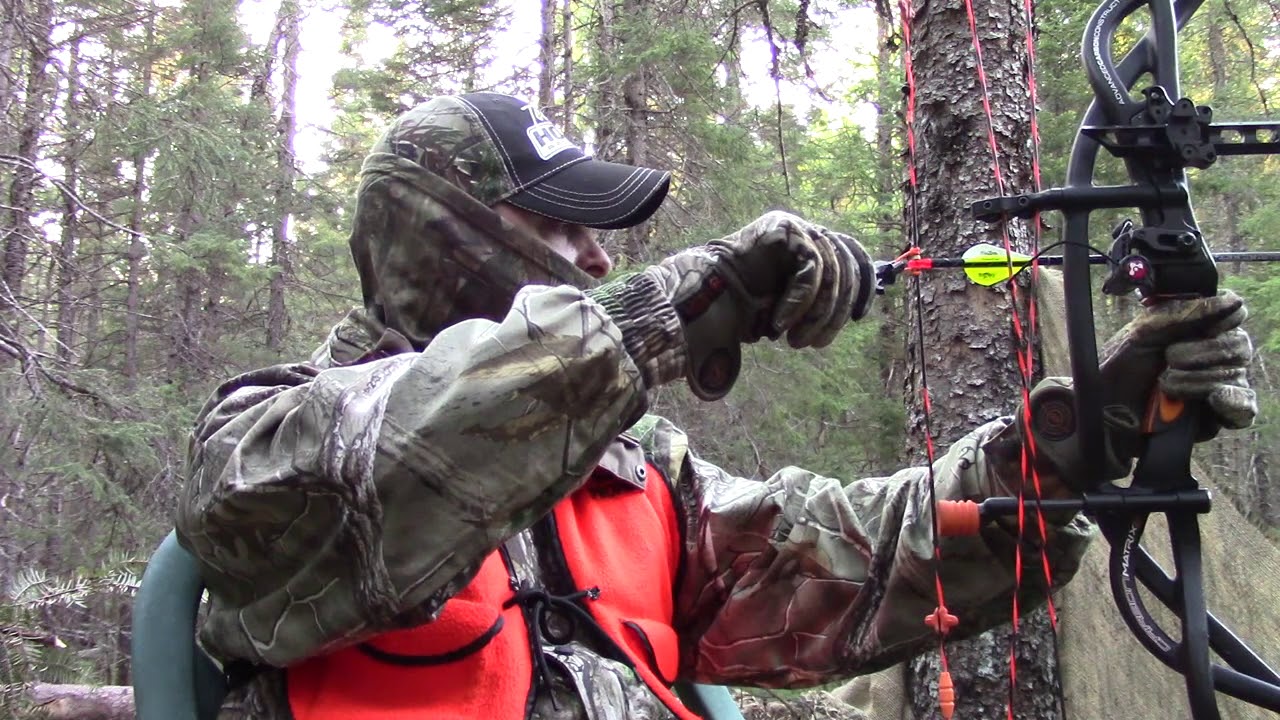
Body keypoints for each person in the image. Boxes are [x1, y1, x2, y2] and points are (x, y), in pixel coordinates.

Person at [175, 92, 1257, 720]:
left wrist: (1079, 438)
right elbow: (413, 456)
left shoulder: (637, 472)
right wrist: (679, 309)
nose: (598, 257)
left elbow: (844, 563)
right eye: (561, 229)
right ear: (444, 231)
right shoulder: (266, 439)